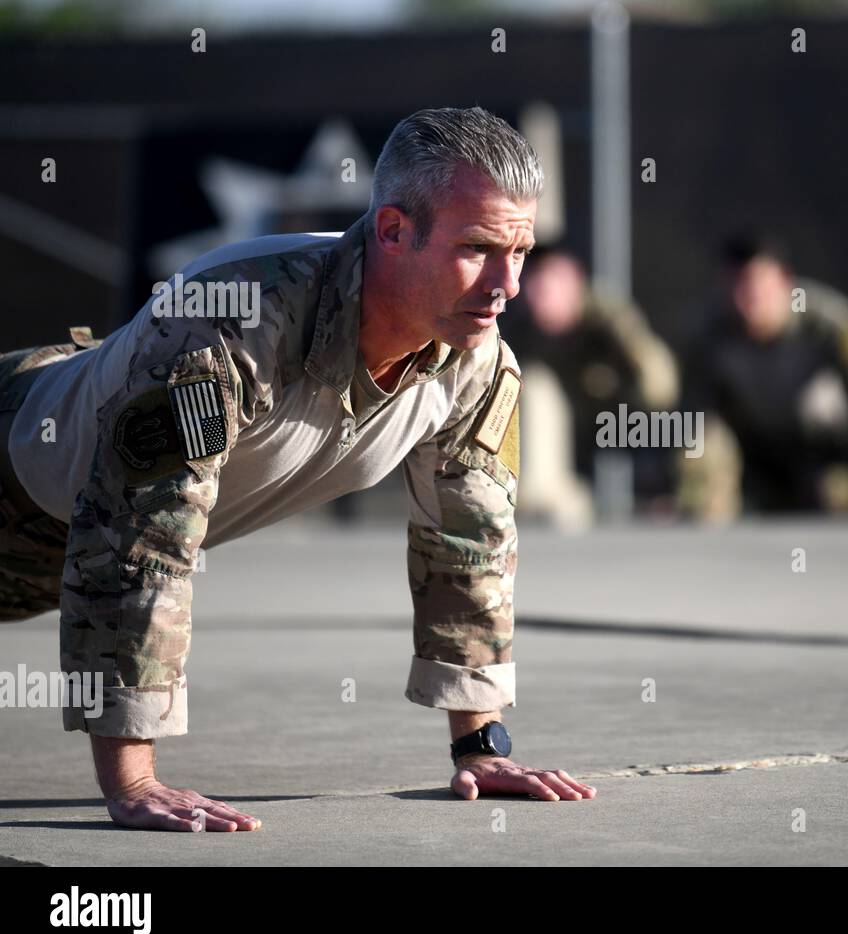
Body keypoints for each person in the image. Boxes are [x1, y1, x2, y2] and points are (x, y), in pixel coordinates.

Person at [0, 106, 596, 833]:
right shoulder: (232, 321)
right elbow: (138, 538)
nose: (508, 284)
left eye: (522, 252)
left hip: (51, 540)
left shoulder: (479, 364)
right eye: (477, 248)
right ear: (392, 231)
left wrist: (480, 746)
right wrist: (132, 780)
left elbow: (470, 549)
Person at [679, 231, 848, 518]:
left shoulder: (830, 324)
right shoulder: (709, 333)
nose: (744, 298)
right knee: (704, 456)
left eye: (754, 283)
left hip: (823, 455)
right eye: (733, 284)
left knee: (836, 493)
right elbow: (693, 414)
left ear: (785, 281)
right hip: (753, 458)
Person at [512, 245, 678, 525]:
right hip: (562, 456)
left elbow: (660, 388)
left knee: (695, 435)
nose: (542, 292)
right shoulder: (518, 336)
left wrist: (624, 331)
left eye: (554, 281)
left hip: (622, 430)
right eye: (534, 282)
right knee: (534, 387)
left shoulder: (607, 324)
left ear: (577, 283)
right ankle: (540, 503)